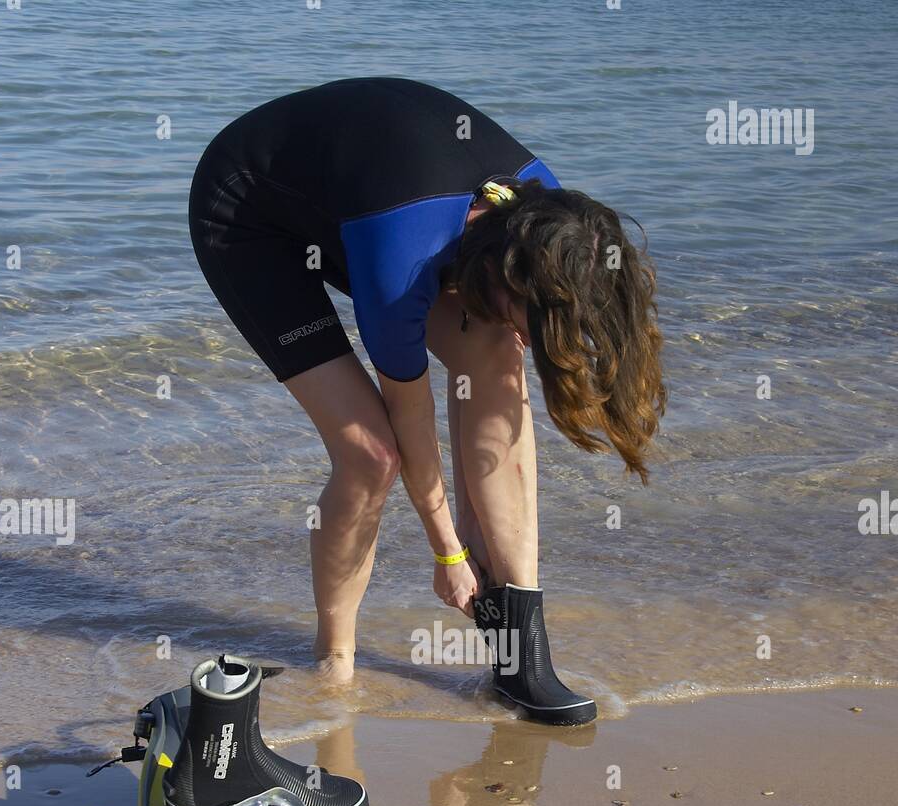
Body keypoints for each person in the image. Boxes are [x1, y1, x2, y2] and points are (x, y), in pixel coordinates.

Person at [188, 77, 665, 724]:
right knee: (371, 454)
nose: (535, 337)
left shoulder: (553, 221)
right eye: (533, 317)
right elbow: (410, 418)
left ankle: (521, 654)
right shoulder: (403, 258)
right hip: (248, 215)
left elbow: (510, 344)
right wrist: (449, 553)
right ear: (502, 271)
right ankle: (336, 663)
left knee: (498, 359)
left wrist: (480, 535)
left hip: (361, 199)